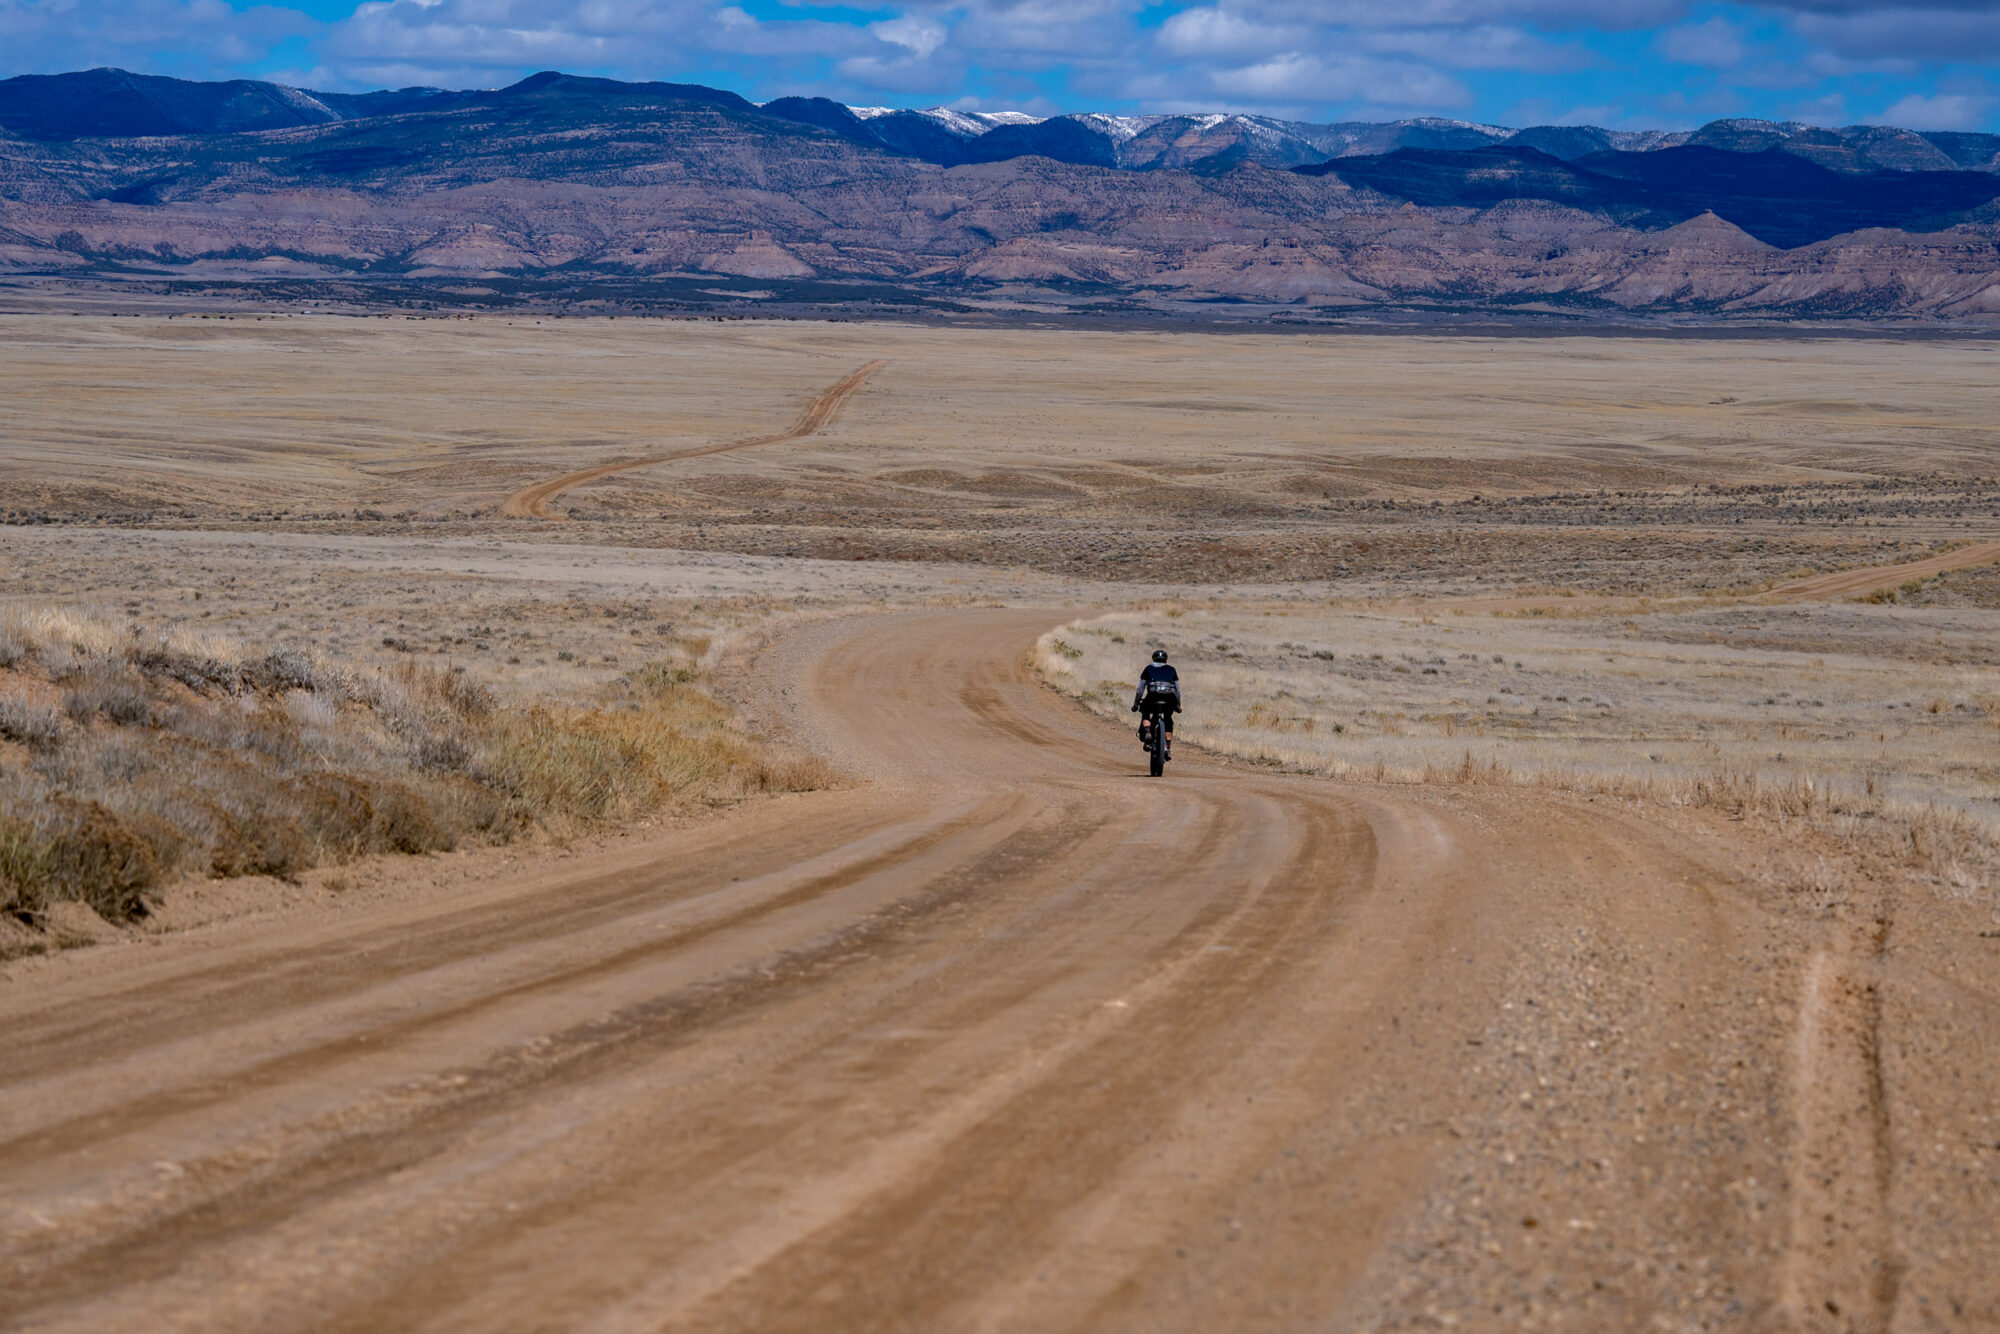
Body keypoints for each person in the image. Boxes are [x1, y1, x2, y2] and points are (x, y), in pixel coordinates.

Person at [1131, 648, 1181, 754]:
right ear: (1166, 660)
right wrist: (1178, 704)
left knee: (1146, 712)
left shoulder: (1148, 668)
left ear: (1153, 658)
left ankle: (1148, 731)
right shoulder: (1172, 670)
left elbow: (1140, 689)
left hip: (1152, 697)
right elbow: (1177, 690)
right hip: (1169, 699)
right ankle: (1167, 747)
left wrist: (1136, 704)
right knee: (1168, 719)